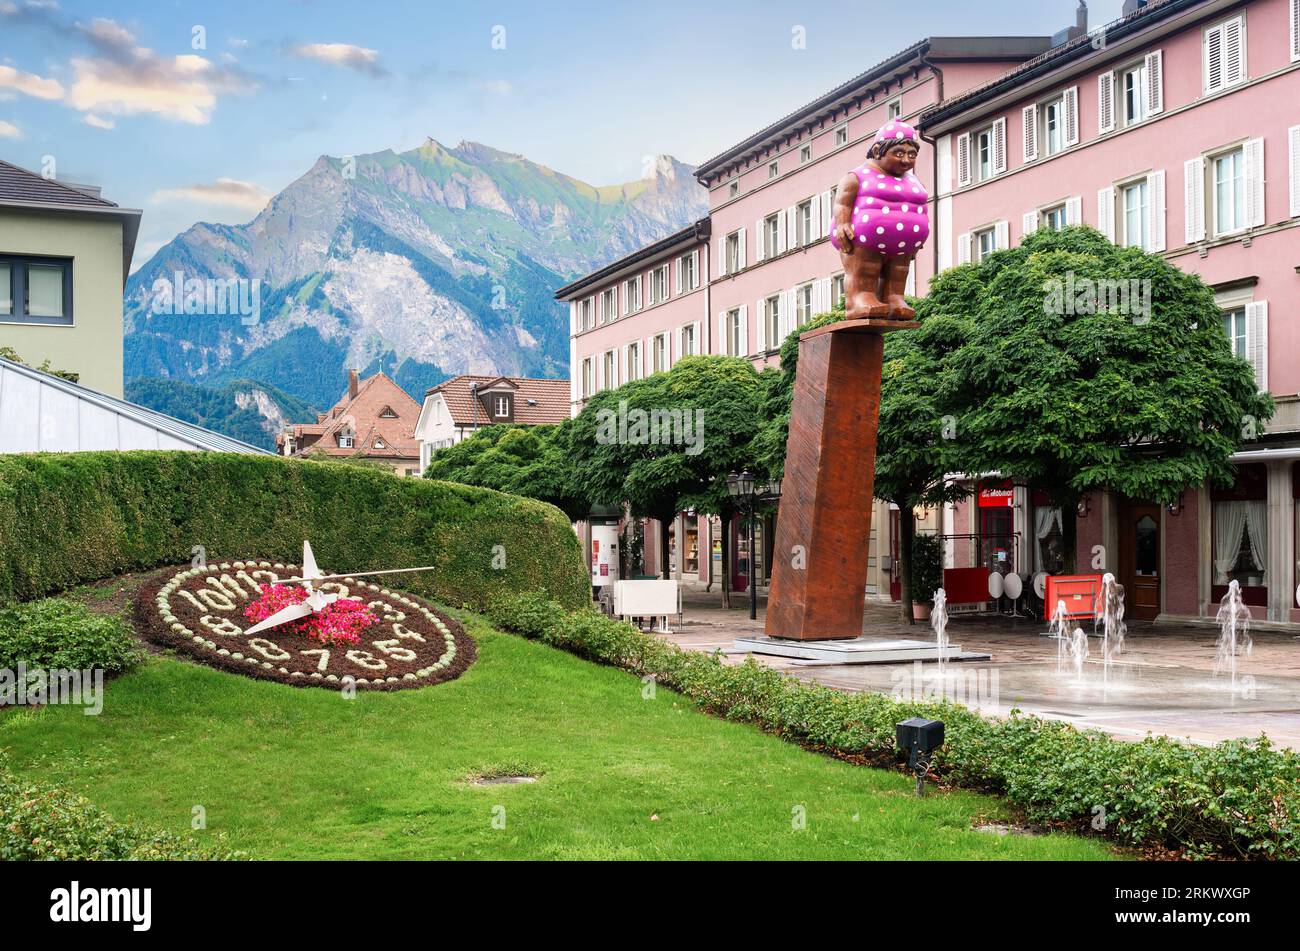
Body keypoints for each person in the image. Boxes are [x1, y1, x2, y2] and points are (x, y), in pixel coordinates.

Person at [829, 119, 929, 319]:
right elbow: (842, 203)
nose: (906, 160)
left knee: (899, 271)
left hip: (903, 246)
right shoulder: (858, 175)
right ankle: (859, 299)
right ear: (877, 151)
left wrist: (918, 239)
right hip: (863, 241)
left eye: (912, 154)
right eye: (899, 153)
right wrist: (842, 224)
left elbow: (920, 206)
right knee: (866, 269)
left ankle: (894, 298)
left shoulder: (912, 179)